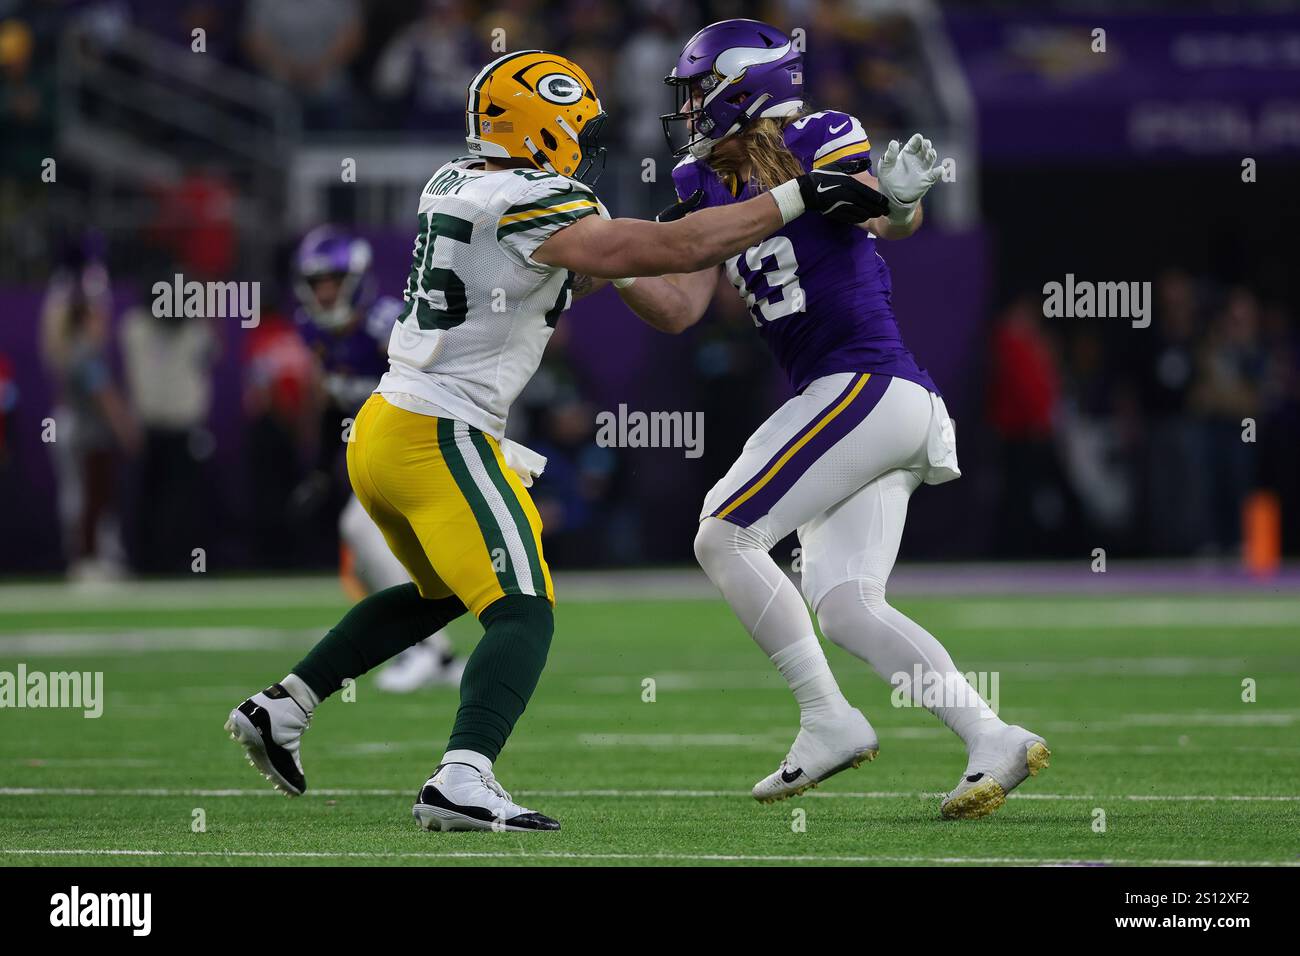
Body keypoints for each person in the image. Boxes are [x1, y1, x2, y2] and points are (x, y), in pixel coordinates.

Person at [226, 49, 890, 832]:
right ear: (542, 127)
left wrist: (698, 223)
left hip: (386, 429)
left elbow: (669, 295)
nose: (582, 139)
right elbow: (670, 253)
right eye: (573, 124)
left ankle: (286, 705)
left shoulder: (459, 182)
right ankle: (462, 776)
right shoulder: (528, 195)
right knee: (524, 610)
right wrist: (795, 195)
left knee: (442, 595)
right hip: (441, 430)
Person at [616, 19, 1049, 819]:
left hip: (864, 385)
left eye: (697, 89)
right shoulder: (702, 181)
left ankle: (828, 720)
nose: (686, 108)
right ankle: (992, 736)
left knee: (723, 532)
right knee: (848, 603)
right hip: (861, 406)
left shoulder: (821, 133)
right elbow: (679, 305)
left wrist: (908, 205)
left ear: (742, 88)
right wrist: (610, 265)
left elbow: (876, 212)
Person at [288, 225, 466, 691]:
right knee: (366, 558)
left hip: (423, 442)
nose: (325, 291)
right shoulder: (316, 333)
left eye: (333, 279)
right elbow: (329, 401)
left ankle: (428, 648)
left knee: (359, 529)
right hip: (381, 451)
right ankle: (438, 656)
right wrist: (322, 471)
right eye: (317, 282)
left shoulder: (385, 324)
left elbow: (439, 378)